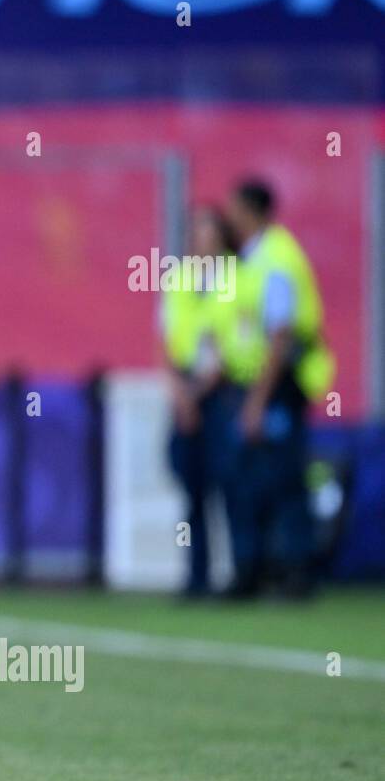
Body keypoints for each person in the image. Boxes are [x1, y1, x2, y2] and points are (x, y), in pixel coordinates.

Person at [217, 179, 334, 599]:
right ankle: (255, 570)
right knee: (249, 481)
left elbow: (280, 336)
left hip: (278, 384)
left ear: (250, 212)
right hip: (254, 383)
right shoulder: (252, 259)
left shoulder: (276, 259)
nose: (227, 218)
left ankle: (298, 573)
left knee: (284, 478)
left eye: (232, 209)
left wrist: (257, 402)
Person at [160, 206, 235, 598]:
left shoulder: (233, 278)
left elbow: (232, 342)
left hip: (220, 393)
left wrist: (198, 393)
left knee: (230, 487)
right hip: (186, 392)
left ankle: (241, 573)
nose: (201, 241)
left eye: (208, 233)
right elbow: (167, 342)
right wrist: (180, 395)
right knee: (192, 493)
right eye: (196, 233)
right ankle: (196, 575)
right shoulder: (180, 279)